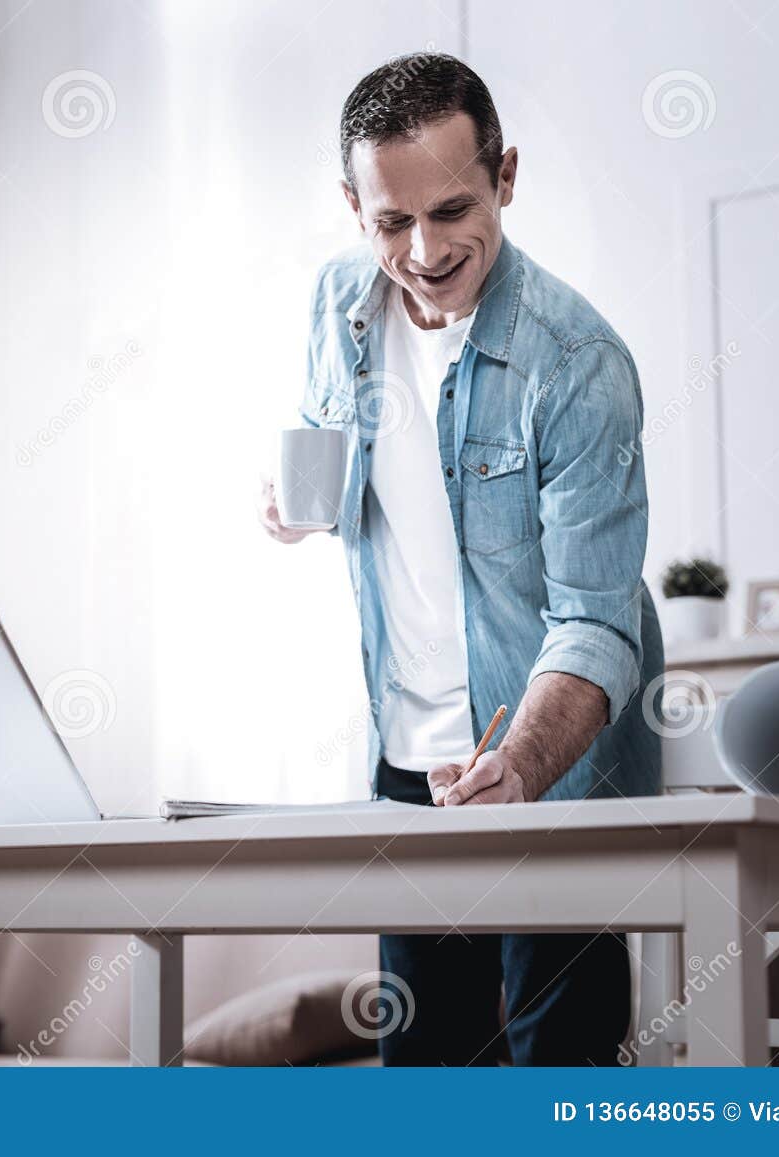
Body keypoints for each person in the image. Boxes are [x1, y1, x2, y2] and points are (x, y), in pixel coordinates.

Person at [258, 52, 664, 1066]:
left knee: (552, 1066)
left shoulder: (577, 366)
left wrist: (520, 765)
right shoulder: (338, 298)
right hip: (407, 757)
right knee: (426, 1067)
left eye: (451, 210)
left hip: (550, 767)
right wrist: (300, 502)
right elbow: (324, 422)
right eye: (391, 221)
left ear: (506, 177)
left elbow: (594, 620)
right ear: (353, 206)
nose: (425, 249)